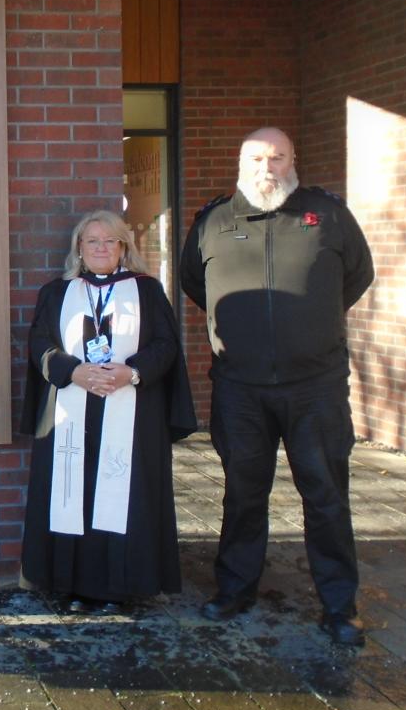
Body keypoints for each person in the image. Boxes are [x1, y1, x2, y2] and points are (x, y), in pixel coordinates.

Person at [180, 126, 375, 646]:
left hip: (315, 388)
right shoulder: (213, 220)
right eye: (257, 158)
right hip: (240, 388)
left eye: (278, 158)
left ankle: (339, 606)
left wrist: (307, 327)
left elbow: (356, 276)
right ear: (240, 162)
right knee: (243, 494)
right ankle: (235, 590)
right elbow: (194, 283)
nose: (268, 168)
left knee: (326, 495)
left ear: (293, 161)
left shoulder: (327, 214)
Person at [20, 210, 197, 614]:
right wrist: (74, 371)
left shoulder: (147, 291)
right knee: (73, 492)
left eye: (110, 241)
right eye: (92, 241)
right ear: (79, 249)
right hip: (71, 411)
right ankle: (71, 584)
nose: (101, 248)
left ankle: (120, 586)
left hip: (132, 412)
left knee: (125, 494)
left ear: (123, 247)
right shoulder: (56, 292)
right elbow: (40, 343)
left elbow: (166, 346)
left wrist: (131, 372)